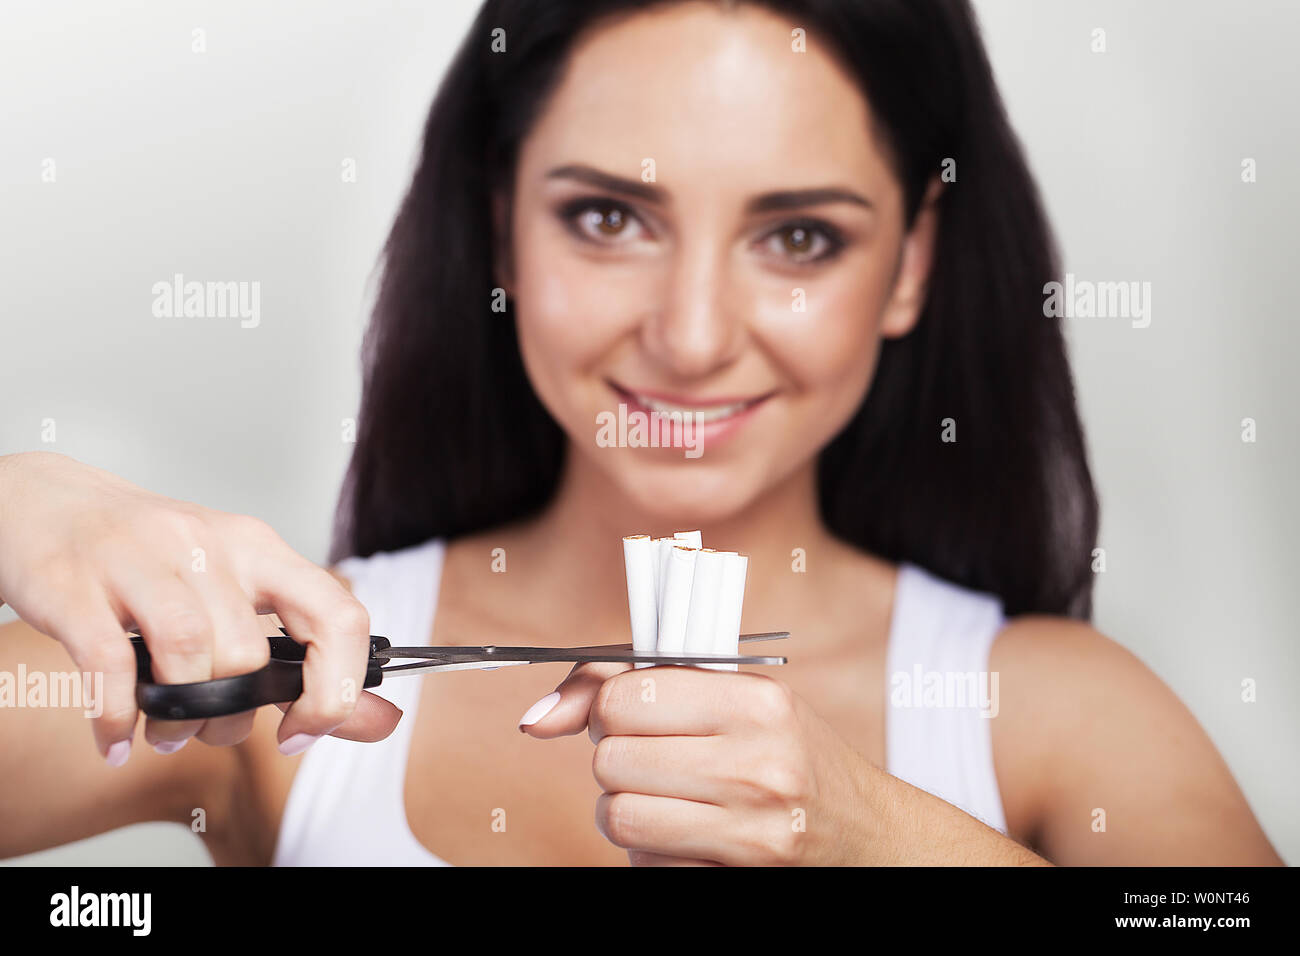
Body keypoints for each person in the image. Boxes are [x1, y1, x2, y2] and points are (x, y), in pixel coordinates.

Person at [0, 0, 1281, 866]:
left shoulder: (1050, 710)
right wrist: (17, 505)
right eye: (610, 218)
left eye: (799, 237)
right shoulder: (290, 683)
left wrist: (874, 834)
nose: (692, 334)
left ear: (908, 265)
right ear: (501, 223)